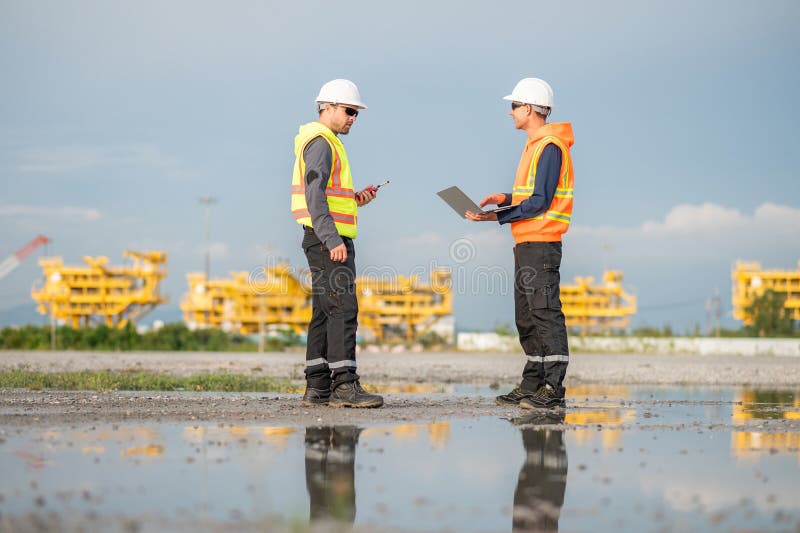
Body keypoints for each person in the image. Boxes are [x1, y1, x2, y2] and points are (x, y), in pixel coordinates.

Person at [467, 78, 574, 409]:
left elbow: (541, 201)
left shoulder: (550, 146)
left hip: (542, 243)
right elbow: (531, 195)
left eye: (513, 106)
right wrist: (505, 198)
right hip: (527, 243)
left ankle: (552, 389)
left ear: (528, 109)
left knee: (545, 314)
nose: (510, 112)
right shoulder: (536, 145)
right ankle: (532, 384)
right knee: (527, 317)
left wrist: (497, 216)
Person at [290, 79, 383, 408]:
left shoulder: (323, 141)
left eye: (356, 113)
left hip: (321, 235)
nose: (353, 118)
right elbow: (314, 195)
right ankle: (344, 385)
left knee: (324, 309)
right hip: (327, 238)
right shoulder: (322, 143)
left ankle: (317, 386)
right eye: (348, 111)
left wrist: (356, 199)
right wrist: (332, 239)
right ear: (326, 107)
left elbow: (328, 196)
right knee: (343, 307)